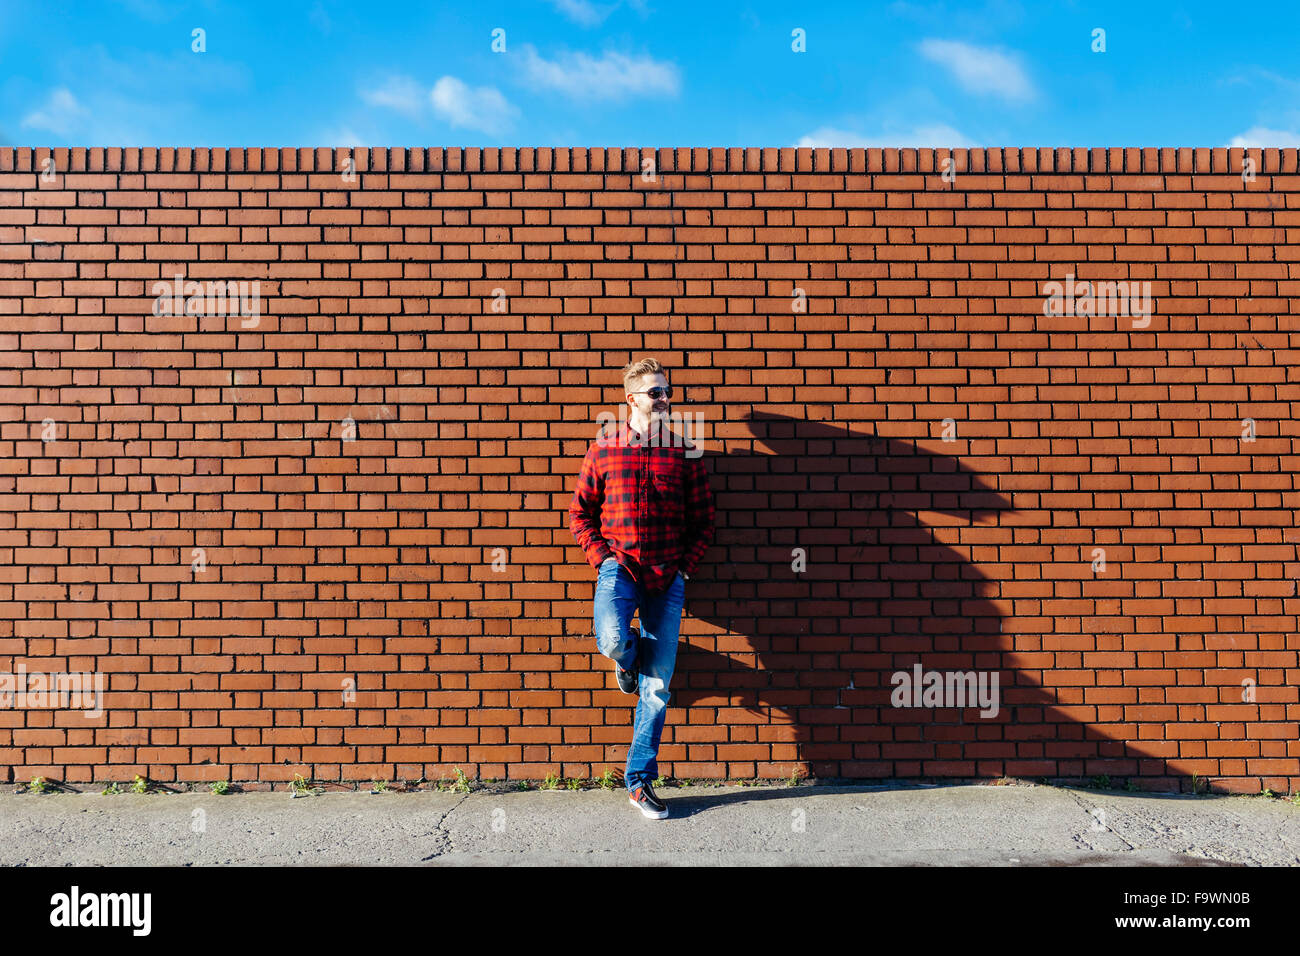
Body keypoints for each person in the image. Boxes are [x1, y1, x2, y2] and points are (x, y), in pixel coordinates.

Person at [568, 357, 715, 819]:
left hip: (668, 575)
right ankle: (627, 660)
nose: (665, 399)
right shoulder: (604, 450)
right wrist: (603, 558)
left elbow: (704, 519)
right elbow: (580, 514)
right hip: (620, 568)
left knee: (657, 686)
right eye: (655, 392)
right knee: (611, 639)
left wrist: (686, 569)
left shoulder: (682, 450)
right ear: (631, 399)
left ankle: (639, 780)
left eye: (667, 391)